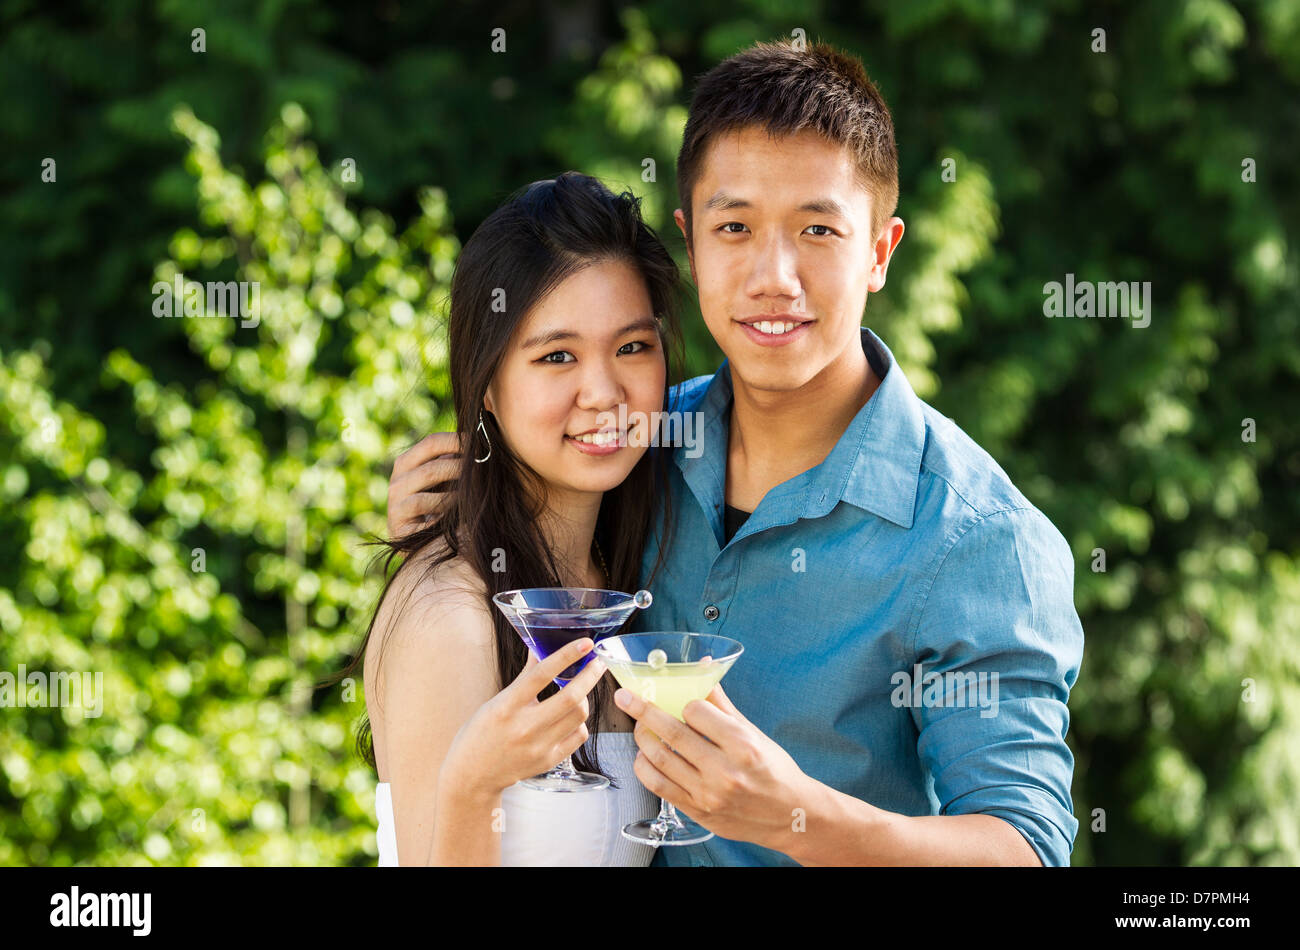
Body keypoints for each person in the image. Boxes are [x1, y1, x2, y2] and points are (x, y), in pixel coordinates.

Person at [391, 40, 1084, 866]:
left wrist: (797, 814)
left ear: (880, 252)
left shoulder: (977, 539)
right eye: (736, 227)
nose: (773, 276)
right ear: (691, 240)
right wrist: (454, 501)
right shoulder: (635, 446)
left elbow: (1026, 847)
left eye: (818, 229)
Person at [336, 171, 689, 865]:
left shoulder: (628, 573)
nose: (604, 392)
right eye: (557, 356)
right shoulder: (452, 615)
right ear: (487, 386)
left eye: (632, 347)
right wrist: (472, 784)